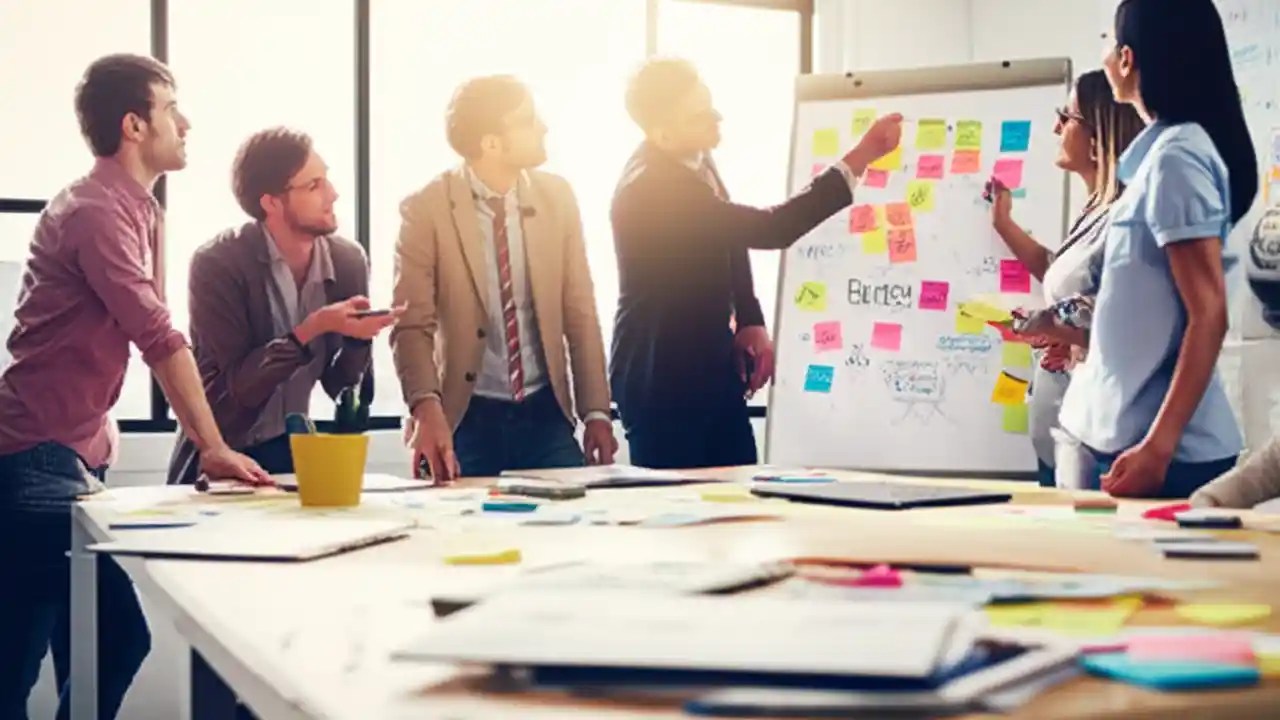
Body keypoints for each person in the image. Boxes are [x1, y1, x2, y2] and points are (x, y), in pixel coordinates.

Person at [0, 54, 267, 720]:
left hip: (67, 459)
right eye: (171, 106)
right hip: (34, 461)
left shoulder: (132, 206)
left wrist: (96, 434)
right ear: (134, 125)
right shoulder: (96, 211)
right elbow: (157, 336)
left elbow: (95, 336)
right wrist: (212, 446)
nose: (186, 121)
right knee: (101, 643)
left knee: (70, 649)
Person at [609, 57, 902, 469]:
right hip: (663, 379)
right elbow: (771, 228)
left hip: (707, 369)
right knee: (679, 515)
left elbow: (727, 236)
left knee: (737, 497)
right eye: (701, 114)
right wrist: (864, 153)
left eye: (710, 104)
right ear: (663, 132)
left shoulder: (692, 158)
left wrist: (750, 318)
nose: (717, 118)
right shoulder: (655, 187)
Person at [1056, 0, 1258, 498]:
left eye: (1107, 41)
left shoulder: (1179, 159)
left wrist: (1159, 447)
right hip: (1122, 435)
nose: (1103, 53)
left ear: (1127, 58)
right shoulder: (1160, 155)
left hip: (1164, 453)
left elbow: (1207, 313)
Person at [392, 75, 617, 482]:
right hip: (467, 417)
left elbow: (579, 311)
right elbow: (412, 325)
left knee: (573, 532)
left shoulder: (557, 198)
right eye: (529, 120)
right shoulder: (426, 209)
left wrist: (597, 412)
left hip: (546, 412)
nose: (543, 127)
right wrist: (426, 410)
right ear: (491, 143)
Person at [167, 128, 399, 485]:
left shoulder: (347, 260)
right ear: (270, 202)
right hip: (223, 458)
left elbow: (344, 388)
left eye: (327, 180)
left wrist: (357, 339)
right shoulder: (218, 263)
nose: (333, 194)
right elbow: (236, 391)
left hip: (291, 456)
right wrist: (312, 329)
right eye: (313, 185)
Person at [986, 69, 1143, 487]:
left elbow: (1124, 317)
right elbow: (1063, 275)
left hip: (1098, 439)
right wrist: (1004, 225)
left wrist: (1061, 334)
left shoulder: (1126, 215)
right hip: (1060, 432)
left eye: (1066, 116)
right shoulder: (1096, 206)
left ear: (1097, 137)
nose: (1057, 126)